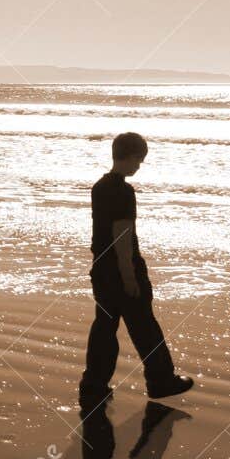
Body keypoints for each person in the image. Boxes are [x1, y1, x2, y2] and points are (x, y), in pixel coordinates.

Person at [79, 132, 194, 409]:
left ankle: (93, 387)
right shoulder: (123, 191)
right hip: (121, 269)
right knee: (145, 327)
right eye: (139, 161)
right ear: (130, 157)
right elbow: (122, 235)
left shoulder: (100, 186)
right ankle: (160, 380)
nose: (138, 166)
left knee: (104, 329)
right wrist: (129, 276)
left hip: (101, 269)